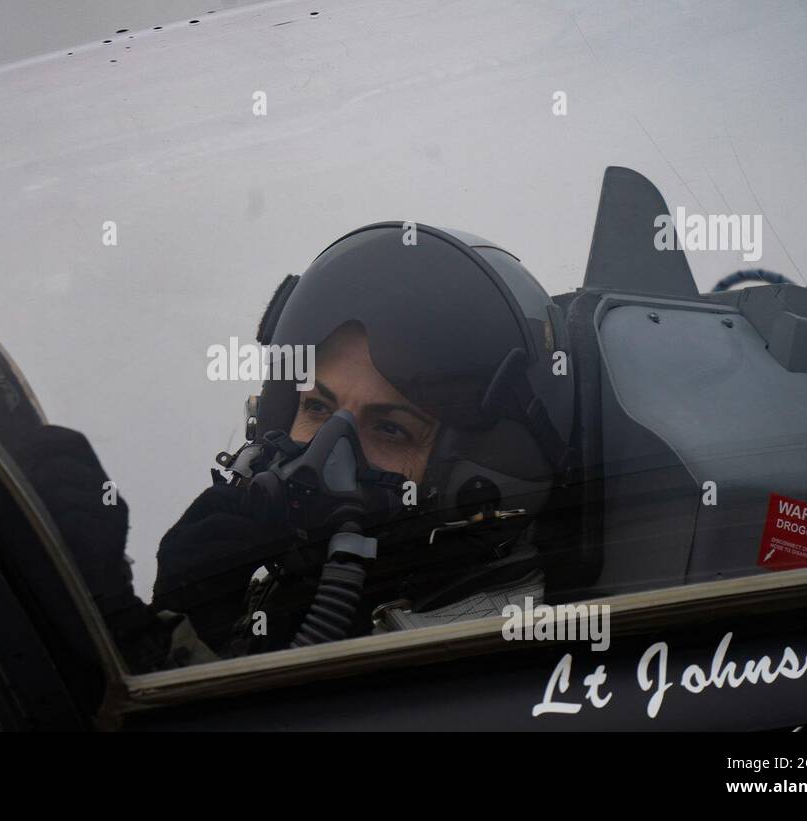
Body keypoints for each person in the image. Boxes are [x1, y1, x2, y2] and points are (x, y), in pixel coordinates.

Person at [150, 222, 577, 659]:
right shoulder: (304, 598)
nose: (326, 454)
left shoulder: (486, 653)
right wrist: (193, 627)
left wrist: (181, 656)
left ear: (474, 483)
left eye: (391, 428)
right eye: (317, 407)